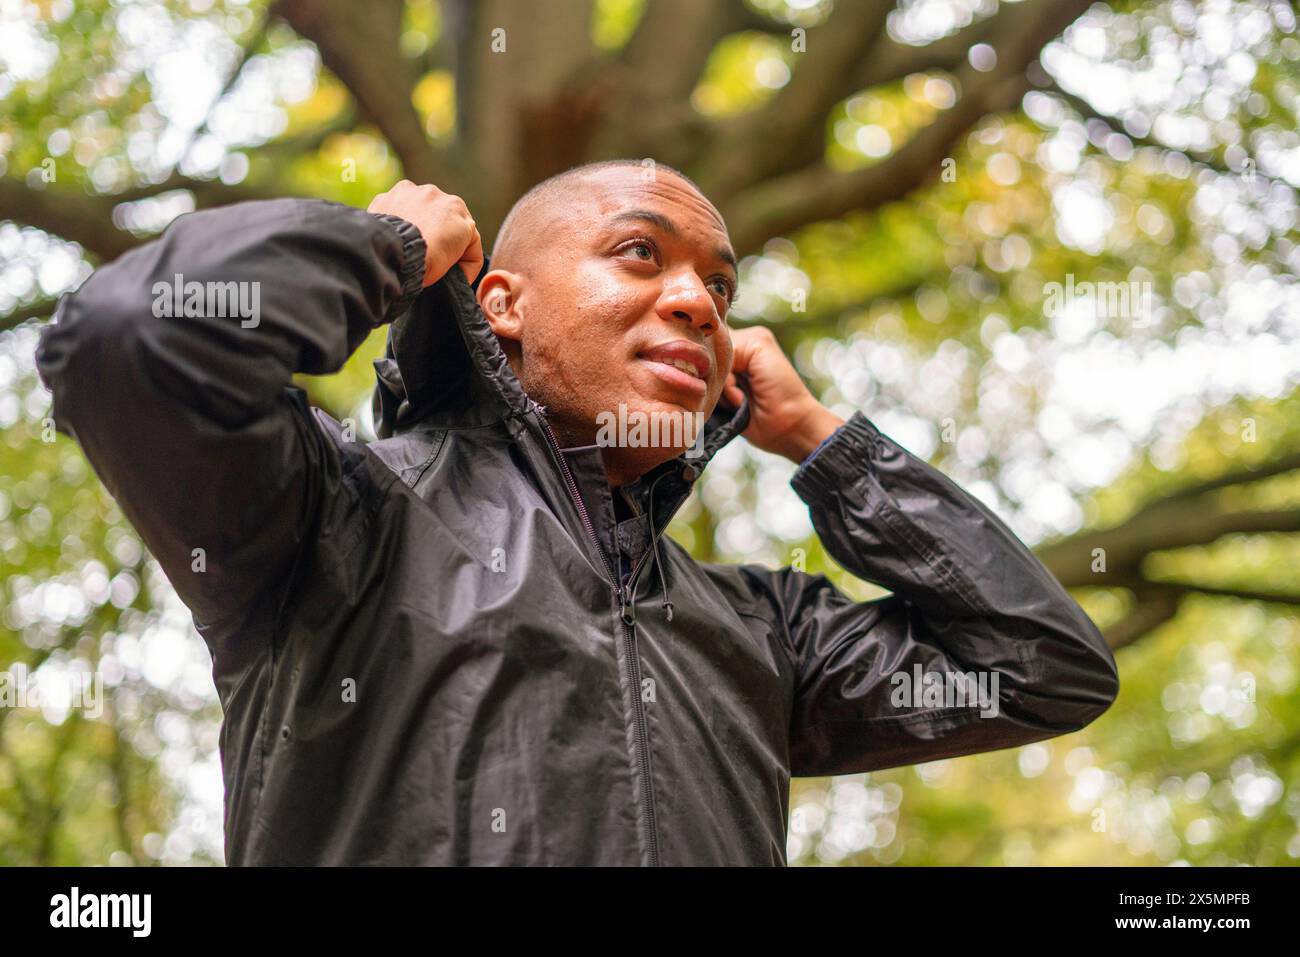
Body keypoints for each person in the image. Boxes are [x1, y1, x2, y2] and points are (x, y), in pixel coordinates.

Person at [35, 159, 1120, 866]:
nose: (698, 303)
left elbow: (1043, 670)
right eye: (640, 254)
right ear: (500, 306)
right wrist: (386, 249)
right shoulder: (335, 518)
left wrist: (828, 446)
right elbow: (132, 335)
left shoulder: (764, 632)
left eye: (721, 289)